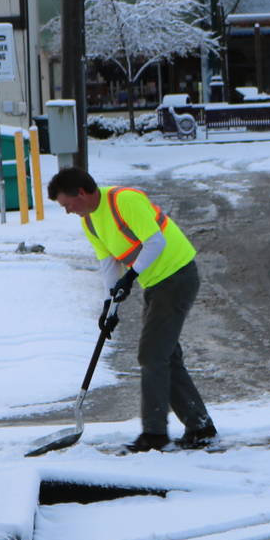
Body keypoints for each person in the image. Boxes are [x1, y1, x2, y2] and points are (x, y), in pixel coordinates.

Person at [47, 166, 217, 452]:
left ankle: (154, 434)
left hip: (176, 275)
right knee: (164, 355)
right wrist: (109, 306)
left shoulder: (123, 200)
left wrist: (130, 277)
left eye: (67, 204)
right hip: (156, 283)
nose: (67, 211)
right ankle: (200, 426)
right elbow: (108, 265)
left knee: (152, 355)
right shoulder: (89, 222)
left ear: (82, 192)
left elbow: (155, 242)